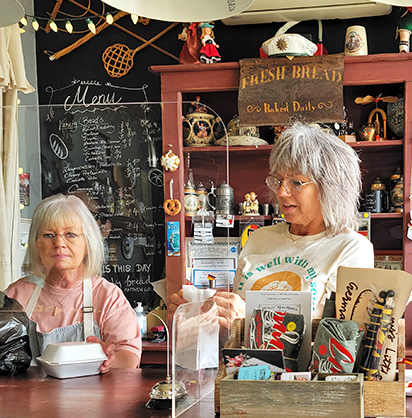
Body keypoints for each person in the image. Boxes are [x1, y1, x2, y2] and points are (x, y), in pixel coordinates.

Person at [172, 122, 374, 325]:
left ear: (330, 187)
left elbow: (338, 338)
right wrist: (200, 314)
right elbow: (233, 329)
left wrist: (249, 318)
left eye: (296, 182)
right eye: (278, 181)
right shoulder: (259, 238)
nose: (281, 192)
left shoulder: (352, 248)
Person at [4, 194, 141, 371]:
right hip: (28, 398)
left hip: (91, 398)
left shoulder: (107, 296)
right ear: (36, 244)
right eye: (48, 235)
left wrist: (109, 358)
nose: (59, 243)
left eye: (70, 234)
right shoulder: (16, 295)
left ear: (87, 243)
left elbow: (129, 357)